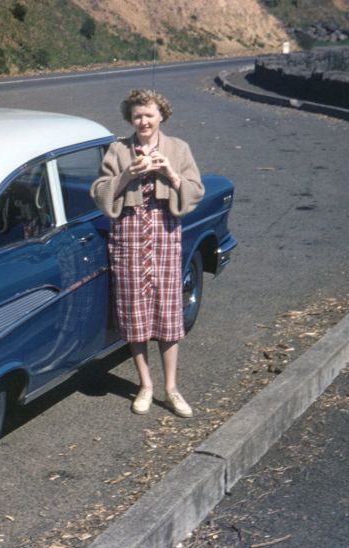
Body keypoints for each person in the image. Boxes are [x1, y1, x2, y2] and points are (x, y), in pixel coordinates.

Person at [90, 89, 204, 417]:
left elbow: (195, 191)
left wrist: (170, 173)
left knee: (168, 313)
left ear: (161, 116)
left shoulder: (179, 148)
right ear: (130, 118)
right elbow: (99, 193)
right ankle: (145, 385)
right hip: (128, 235)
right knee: (134, 312)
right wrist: (127, 175)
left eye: (149, 115)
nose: (143, 121)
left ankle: (171, 389)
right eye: (138, 115)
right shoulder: (117, 149)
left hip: (166, 235)